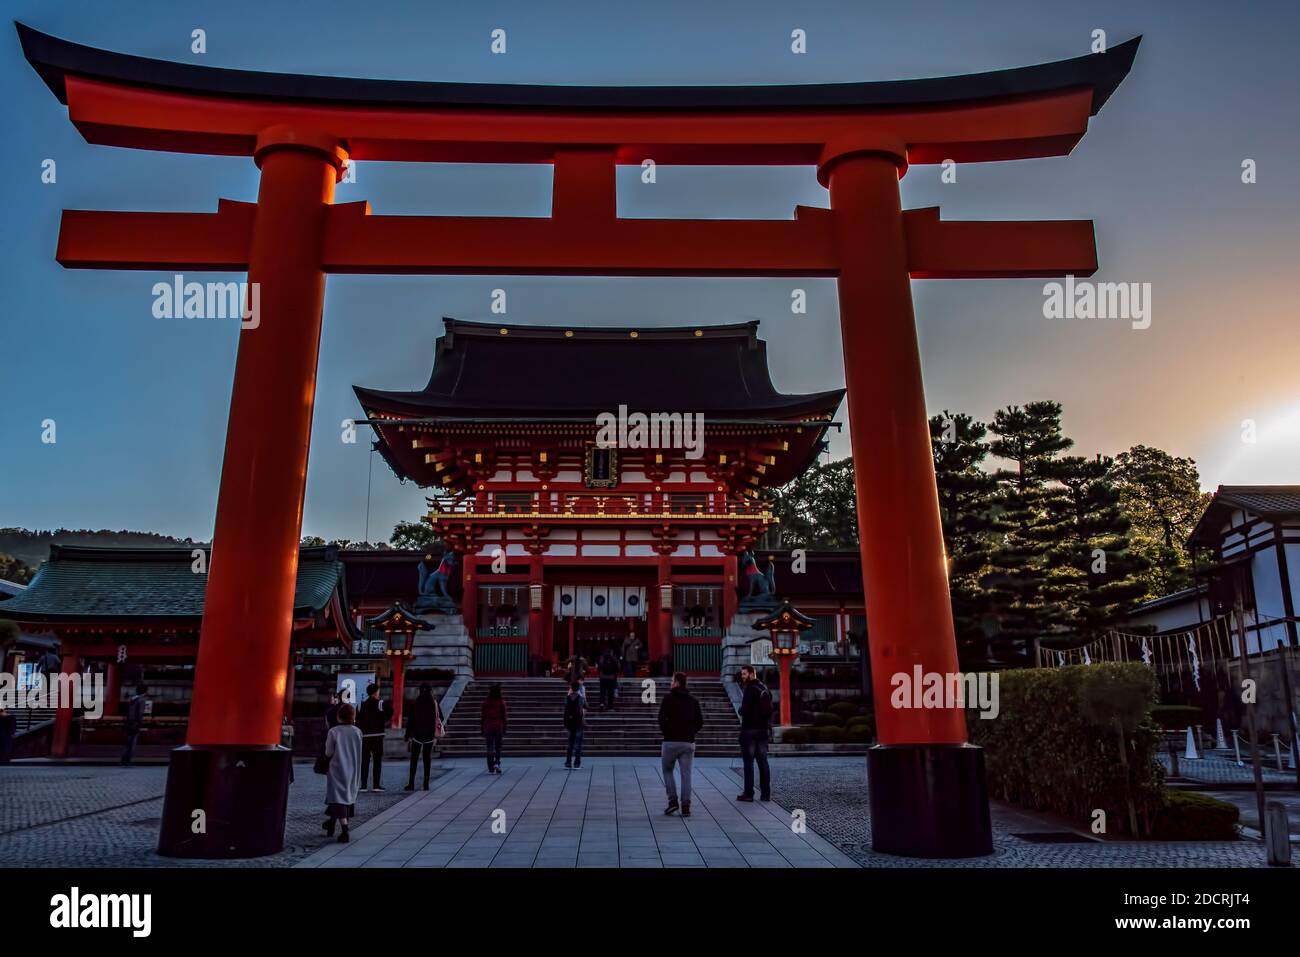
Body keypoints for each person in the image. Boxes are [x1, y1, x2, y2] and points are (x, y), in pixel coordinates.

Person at [658, 671, 703, 817]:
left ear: (677, 683)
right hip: (688, 742)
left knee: (667, 770)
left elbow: (661, 718)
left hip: (670, 741)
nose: (671, 683)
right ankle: (686, 805)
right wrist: (691, 732)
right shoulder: (693, 700)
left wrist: (667, 732)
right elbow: (699, 722)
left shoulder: (668, 699)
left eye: (672, 681)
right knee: (686, 774)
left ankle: (672, 801)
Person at [322, 702, 362, 842]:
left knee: (337, 797)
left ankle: (345, 830)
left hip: (337, 768)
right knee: (345, 796)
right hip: (353, 769)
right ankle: (331, 824)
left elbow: (328, 752)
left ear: (339, 716)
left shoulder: (334, 732)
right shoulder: (358, 732)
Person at [736, 665, 773, 802]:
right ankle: (765, 793)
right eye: (742, 674)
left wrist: (741, 710)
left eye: (744, 674)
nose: (743, 676)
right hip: (763, 730)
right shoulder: (764, 688)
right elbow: (770, 709)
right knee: (763, 762)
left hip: (749, 730)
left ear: (752, 674)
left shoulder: (749, 689)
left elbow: (744, 710)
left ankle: (749, 793)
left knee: (748, 763)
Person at [405, 683, 442, 790]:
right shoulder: (434, 703)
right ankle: (426, 784)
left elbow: (410, 721)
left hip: (417, 735)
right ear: (431, 691)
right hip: (429, 735)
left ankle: (411, 783)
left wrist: (407, 735)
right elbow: (441, 717)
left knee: (414, 760)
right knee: (427, 760)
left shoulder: (415, 703)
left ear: (420, 691)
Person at [356, 682, 390, 791]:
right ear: (376, 692)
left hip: (365, 736)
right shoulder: (381, 703)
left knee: (364, 760)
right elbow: (391, 712)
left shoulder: (361, 704)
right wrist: (383, 721)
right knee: (377, 760)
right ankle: (376, 785)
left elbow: (357, 720)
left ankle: (363, 785)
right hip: (378, 735)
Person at [480, 683, 508, 775]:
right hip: (498, 726)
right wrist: (505, 727)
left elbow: (483, 717)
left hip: (488, 726)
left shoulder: (486, 703)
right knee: (498, 747)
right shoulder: (501, 702)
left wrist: (482, 728)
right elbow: (504, 716)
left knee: (489, 747)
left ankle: (491, 767)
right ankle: (497, 763)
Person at [120, 683, 149, 766]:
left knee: (128, 743)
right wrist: (140, 723)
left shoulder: (132, 699)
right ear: (145, 691)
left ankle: (123, 760)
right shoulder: (142, 700)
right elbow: (140, 713)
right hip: (135, 724)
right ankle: (128, 761)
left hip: (129, 722)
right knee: (132, 744)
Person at [563, 681, 585, 770]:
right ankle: (577, 763)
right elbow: (584, 708)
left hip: (569, 722)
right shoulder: (580, 698)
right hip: (578, 722)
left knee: (570, 743)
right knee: (578, 744)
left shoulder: (567, 698)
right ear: (578, 689)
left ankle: (568, 762)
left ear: (571, 688)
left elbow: (565, 708)